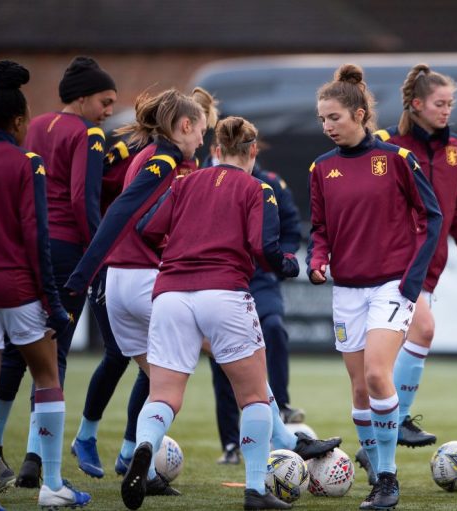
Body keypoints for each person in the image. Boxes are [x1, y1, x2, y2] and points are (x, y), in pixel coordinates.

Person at [122, 116, 301, 511]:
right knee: (254, 397)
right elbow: (264, 248)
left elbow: (147, 228)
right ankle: (256, 491)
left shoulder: (184, 183)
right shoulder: (259, 188)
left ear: (215, 149)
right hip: (224, 292)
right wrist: (289, 265)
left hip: (169, 294)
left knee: (163, 395)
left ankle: (146, 446)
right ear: (253, 151)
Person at [65, 87, 215, 497]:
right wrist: (81, 275)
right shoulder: (163, 159)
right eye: (201, 130)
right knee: (225, 348)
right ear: (184, 125)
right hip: (144, 280)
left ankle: (134, 457)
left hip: (120, 283)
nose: (203, 139)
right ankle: (285, 440)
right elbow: (125, 214)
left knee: (154, 377)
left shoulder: (159, 156)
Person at [308, 63, 442, 509]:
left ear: (360, 114)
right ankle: (375, 469)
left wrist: (414, 278)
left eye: (335, 117)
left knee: (376, 374)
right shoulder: (321, 168)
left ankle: (388, 478)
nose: (327, 126)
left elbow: (432, 217)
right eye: (322, 118)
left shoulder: (397, 159)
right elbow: (320, 228)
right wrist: (318, 259)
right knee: (360, 390)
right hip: (346, 290)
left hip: (391, 285)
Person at [0, 56, 117, 488]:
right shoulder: (87, 133)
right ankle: (34, 459)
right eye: (104, 100)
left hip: (26, 246)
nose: (107, 109)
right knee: (53, 354)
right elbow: (84, 198)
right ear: (82, 99)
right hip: (67, 251)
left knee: (13, 351)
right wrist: (96, 254)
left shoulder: (33, 124)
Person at [0, 60, 91, 511]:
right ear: (19, 121)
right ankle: (53, 485)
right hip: (18, 290)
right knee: (46, 377)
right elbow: (35, 236)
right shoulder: (27, 163)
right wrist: (53, 301)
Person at [374, 63, 457, 453]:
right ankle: (398, 420)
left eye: (450, 104)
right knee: (423, 331)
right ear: (416, 104)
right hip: (394, 261)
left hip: (430, 266)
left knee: (393, 356)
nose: (446, 110)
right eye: (440, 103)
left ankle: (376, 441)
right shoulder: (384, 143)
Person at [209, 157, 304, 466]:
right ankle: (230, 443)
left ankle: (282, 402)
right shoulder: (205, 180)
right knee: (221, 358)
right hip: (222, 278)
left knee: (274, 326)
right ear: (217, 148)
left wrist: (283, 258)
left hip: (261, 278)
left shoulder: (270, 183)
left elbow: (291, 226)